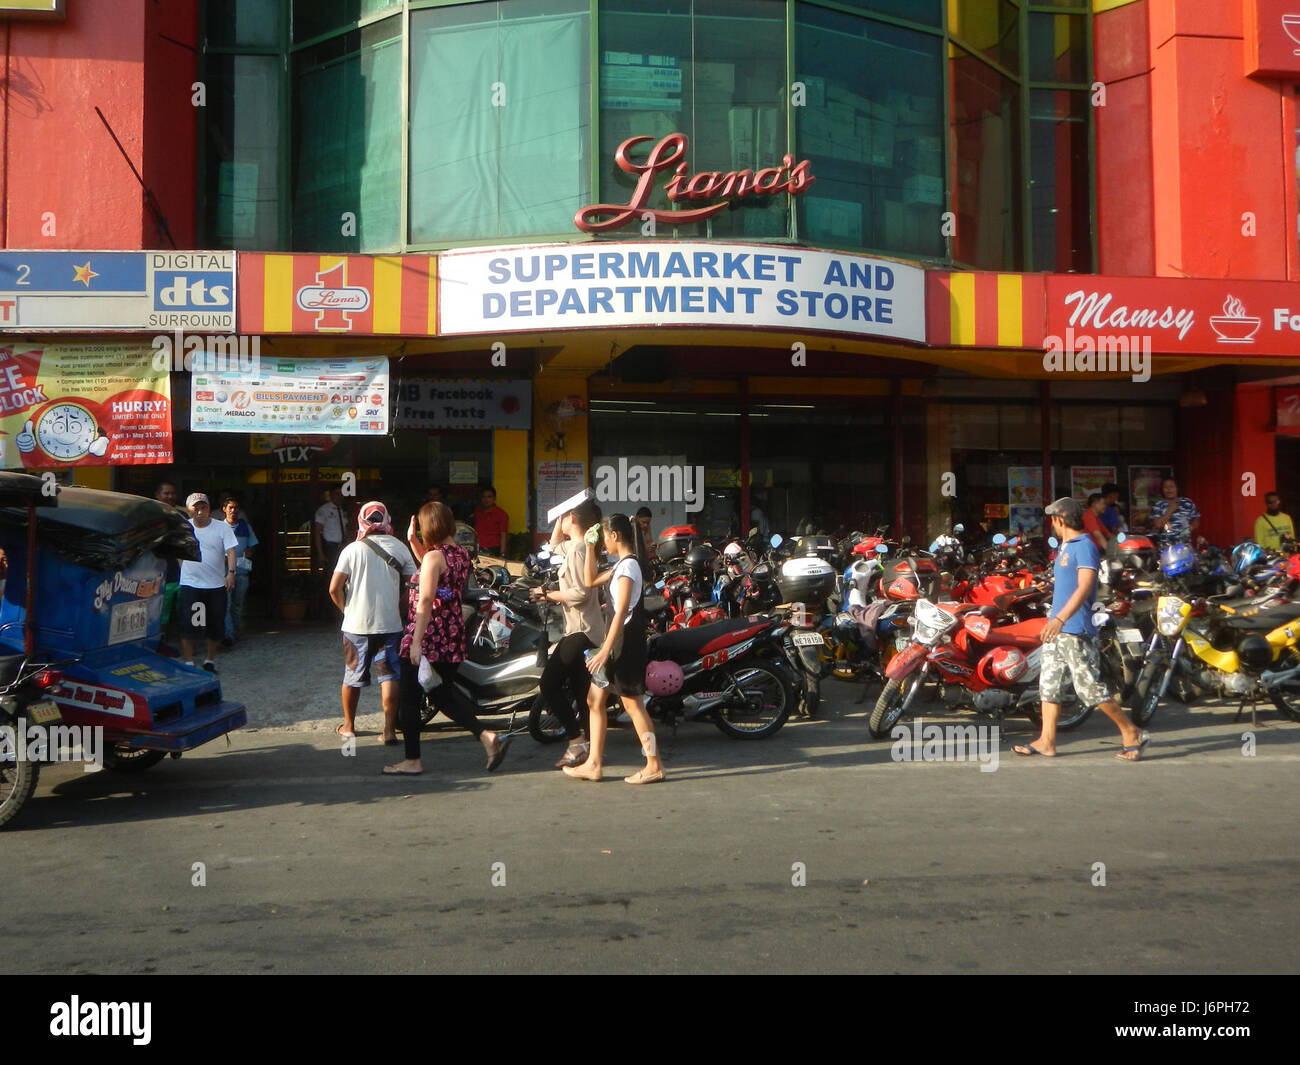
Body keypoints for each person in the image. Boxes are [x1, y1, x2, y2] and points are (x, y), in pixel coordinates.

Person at [1014, 498, 1149, 761]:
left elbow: (1085, 587)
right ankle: (1046, 741)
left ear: (1060, 520)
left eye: (1052, 520)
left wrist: (1060, 619)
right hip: (1058, 630)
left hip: (1075, 629)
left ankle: (1131, 732)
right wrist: (1049, 589)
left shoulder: (1085, 545)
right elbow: (1068, 584)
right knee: (1049, 685)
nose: (1052, 524)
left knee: (1089, 688)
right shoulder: (1066, 547)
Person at [384, 501, 509, 775]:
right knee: (443, 696)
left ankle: (412, 760)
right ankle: (486, 736)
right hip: (450, 634)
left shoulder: (434, 557)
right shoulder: (460, 554)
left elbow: (427, 597)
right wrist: (412, 541)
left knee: (409, 699)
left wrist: (415, 642)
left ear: (430, 527)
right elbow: (431, 570)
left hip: (427, 635)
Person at [564, 512, 665, 784]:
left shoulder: (628, 568)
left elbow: (620, 613)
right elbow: (589, 581)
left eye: (605, 538)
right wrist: (588, 545)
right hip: (615, 646)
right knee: (594, 700)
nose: (604, 543)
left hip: (624, 647)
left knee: (633, 706)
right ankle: (594, 763)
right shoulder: (621, 565)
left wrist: (604, 651)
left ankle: (654, 764)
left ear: (615, 536)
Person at [329, 502, 417, 744]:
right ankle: (389, 731)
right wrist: (398, 604)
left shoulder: (352, 550)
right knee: (389, 677)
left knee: (352, 677)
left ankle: (348, 727)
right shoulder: (399, 547)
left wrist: (347, 611)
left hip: (356, 627)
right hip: (390, 625)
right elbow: (413, 586)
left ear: (362, 520)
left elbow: (334, 588)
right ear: (386, 519)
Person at [531, 499, 605, 769]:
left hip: (582, 631)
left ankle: (576, 742)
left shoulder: (577, 551)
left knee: (549, 684)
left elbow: (580, 594)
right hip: (584, 630)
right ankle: (589, 748)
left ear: (572, 519)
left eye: (563, 516)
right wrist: (561, 518)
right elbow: (552, 547)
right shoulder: (577, 547)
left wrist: (545, 594)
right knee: (582, 691)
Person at [178, 493, 237, 673]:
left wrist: (231, 573)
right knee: (191, 625)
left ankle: (209, 660)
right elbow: (178, 551)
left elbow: (231, 551)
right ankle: (189, 662)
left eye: (204, 507)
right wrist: (184, 570)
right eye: (196, 508)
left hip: (215, 586)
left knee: (215, 625)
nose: (200, 511)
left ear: (209, 509)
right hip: (192, 585)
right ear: (189, 510)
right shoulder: (184, 528)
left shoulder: (222, 528)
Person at [220, 494, 258, 647]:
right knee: (226, 605)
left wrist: (249, 551)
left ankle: (234, 633)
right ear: (224, 509)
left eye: (236, 508)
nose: (233, 511)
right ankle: (228, 635)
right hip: (223, 573)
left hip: (241, 572)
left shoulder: (245, 526)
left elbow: (253, 546)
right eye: (230, 508)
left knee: (237, 605)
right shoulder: (219, 527)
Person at [154, 480, 183, 652]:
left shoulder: (182, 515)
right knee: (160, 613)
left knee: (186, 611)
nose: (170, 496)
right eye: (166, 493)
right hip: (156, 572)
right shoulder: (149, 515)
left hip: (181, 573)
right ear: (157, 495)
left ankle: (189, 642)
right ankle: (160, 642)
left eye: (172, 493)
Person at [313, 487, 350, 579]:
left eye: (341, 494)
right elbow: (317, 532)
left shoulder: (343, 510)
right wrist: (320, 553)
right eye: (337, 494)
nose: (340, 497)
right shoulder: (324, 510)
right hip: (331, 548)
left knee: (344, 574)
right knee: (332, 574)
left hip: (343, 546)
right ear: (331, 495)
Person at [472, 485, 508, 555]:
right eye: (483, 497)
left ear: (494, 498)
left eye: (489, 497)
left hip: (493, 549)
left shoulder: (501, 514)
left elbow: (503, 536)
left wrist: (502, 554)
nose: (486, 499)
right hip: (478, 548)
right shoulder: (478, 511)